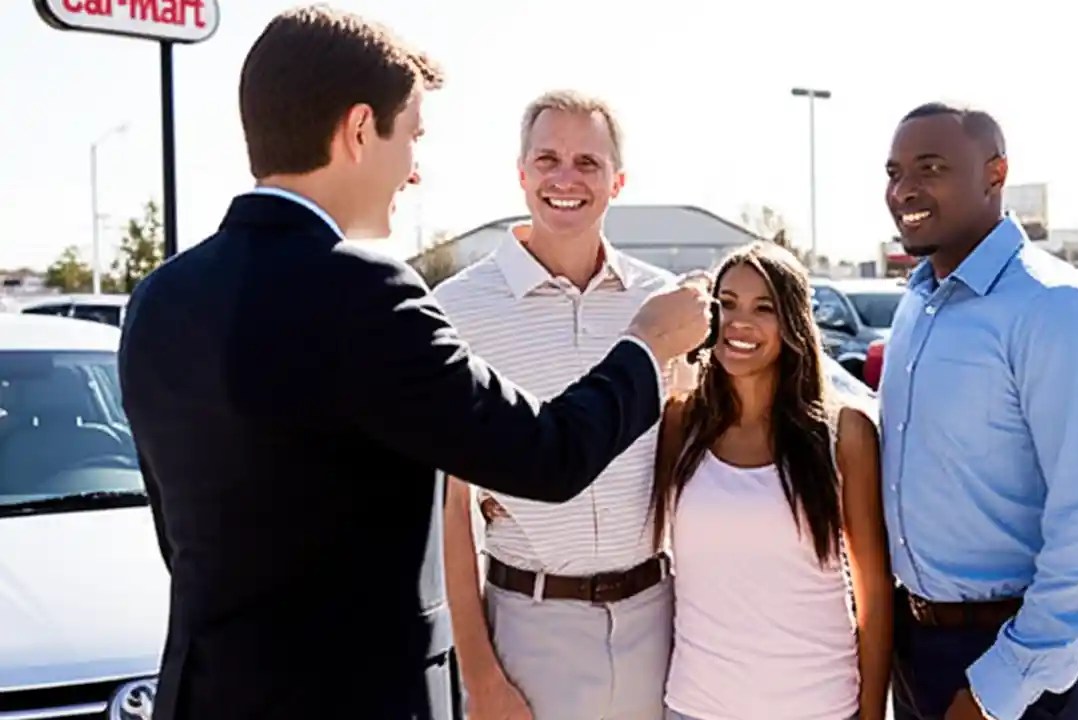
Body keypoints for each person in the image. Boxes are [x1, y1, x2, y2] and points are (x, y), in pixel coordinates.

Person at [116, 7, 712, 720]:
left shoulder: (157, 301)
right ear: (361, 130)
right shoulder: (368, 296)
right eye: (413, 136)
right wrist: (648, 345)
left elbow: (178, 539)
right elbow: (545, 458)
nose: (416, 170)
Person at [436, 89, 696, 720]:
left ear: (617, 181)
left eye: (588, 163)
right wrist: (481, 677)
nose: (566, 179)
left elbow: (682, 455)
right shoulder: (456, 311)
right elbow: (448, 511)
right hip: (528, 629)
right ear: (521, 173)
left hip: (660, 624)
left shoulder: (665, 307)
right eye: (548, 159)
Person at [878, 102, 1078, 720]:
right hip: (916, 650)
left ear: (995, 173)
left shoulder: (1055, 309)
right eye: (893, 171)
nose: (903, 190)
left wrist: (1000, 686)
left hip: (1008, 663)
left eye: (931, 167)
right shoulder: (919, 302)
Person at [652, 242, 894, 720]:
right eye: (726, 305)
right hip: (697, 706)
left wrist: (870, 713)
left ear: (793, 323)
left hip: (819, 706)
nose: (740, 322)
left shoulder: (844, 434)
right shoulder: (680, 422)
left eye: (764, 307)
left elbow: (874, 592)